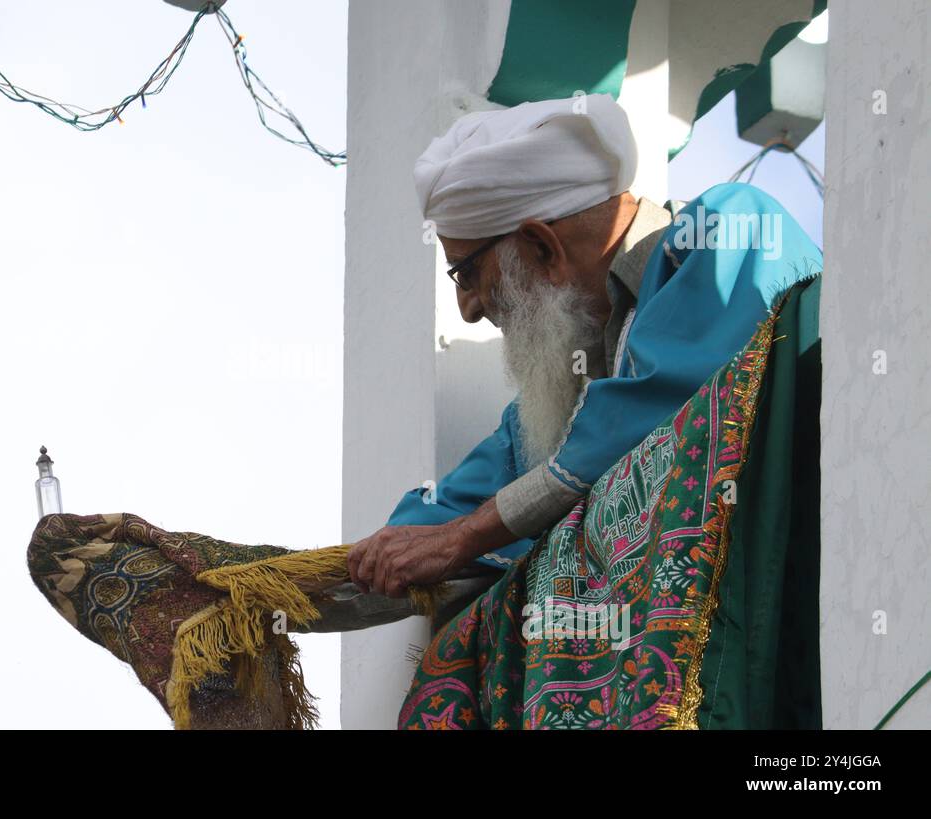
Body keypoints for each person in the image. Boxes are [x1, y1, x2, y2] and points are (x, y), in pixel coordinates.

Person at [347, 94, 821, 598]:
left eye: (467, 274)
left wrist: (466, 537)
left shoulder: (728, 228)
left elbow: (656, 408)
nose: (468, 308)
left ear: (542, 247)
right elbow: (443, 514)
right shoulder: (577, 377)